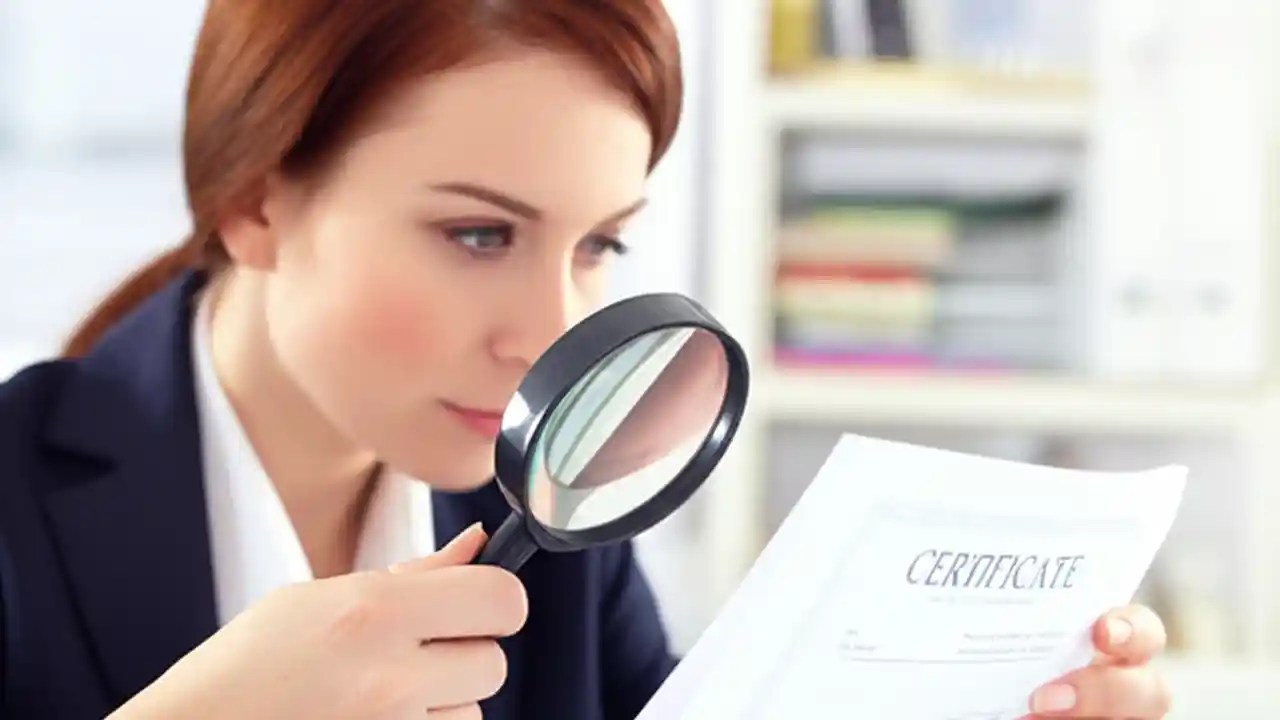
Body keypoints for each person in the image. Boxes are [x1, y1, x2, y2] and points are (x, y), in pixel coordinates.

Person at [0, 1, 1173, 718]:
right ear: (255, 204)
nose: (550, 333)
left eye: (601, 241)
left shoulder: (558, 517)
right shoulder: (16, 501)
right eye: (477, 234)